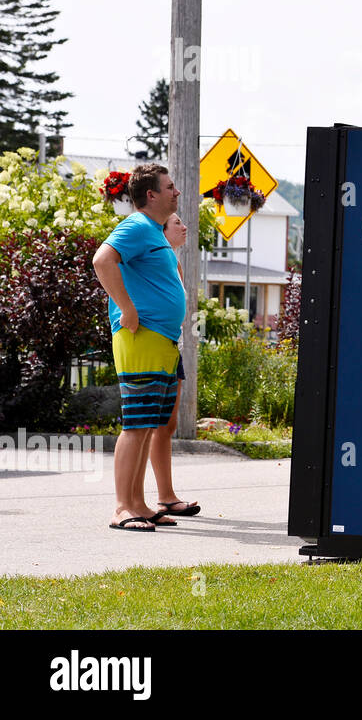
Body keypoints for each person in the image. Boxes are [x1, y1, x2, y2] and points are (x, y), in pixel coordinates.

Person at [92, 164, 186, 531]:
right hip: (140, 335)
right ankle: (121, 508)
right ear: (151, 194)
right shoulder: (135, 225)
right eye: (170, 187)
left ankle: (139, 504)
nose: (176, 192)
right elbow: (103, 260)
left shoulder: (153, 233)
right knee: (136, 425)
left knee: (149, 424)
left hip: (160, 338)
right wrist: (127, 309)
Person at [147, 212, 200, 520]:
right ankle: (148, 499)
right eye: (177, 222)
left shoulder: (174, 263)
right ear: (162, 231)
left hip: (173, 347)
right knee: (149, 425)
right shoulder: (150, 259)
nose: (184, 225)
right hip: (154, 347)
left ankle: (167, 498)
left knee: (167, 425)